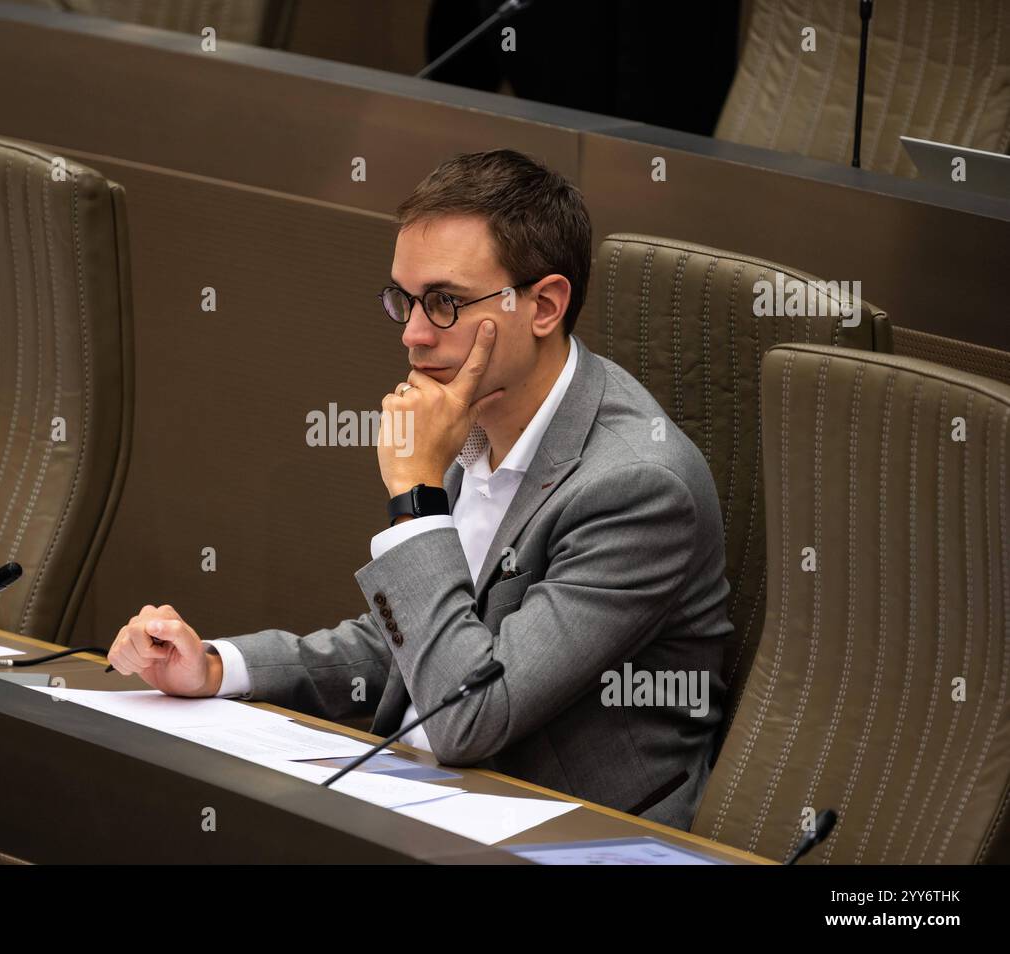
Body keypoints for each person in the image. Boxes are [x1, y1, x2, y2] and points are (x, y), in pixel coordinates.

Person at [107, 148, 734, 830]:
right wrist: (216, 668)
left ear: (545, 305)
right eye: (403, 300)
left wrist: (415, 497)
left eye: (443, 303)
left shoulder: (637, 488)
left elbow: (467, 712)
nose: (411, 335)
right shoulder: (482, 411)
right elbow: (410, 645)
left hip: (564, 830)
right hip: (427, 798)